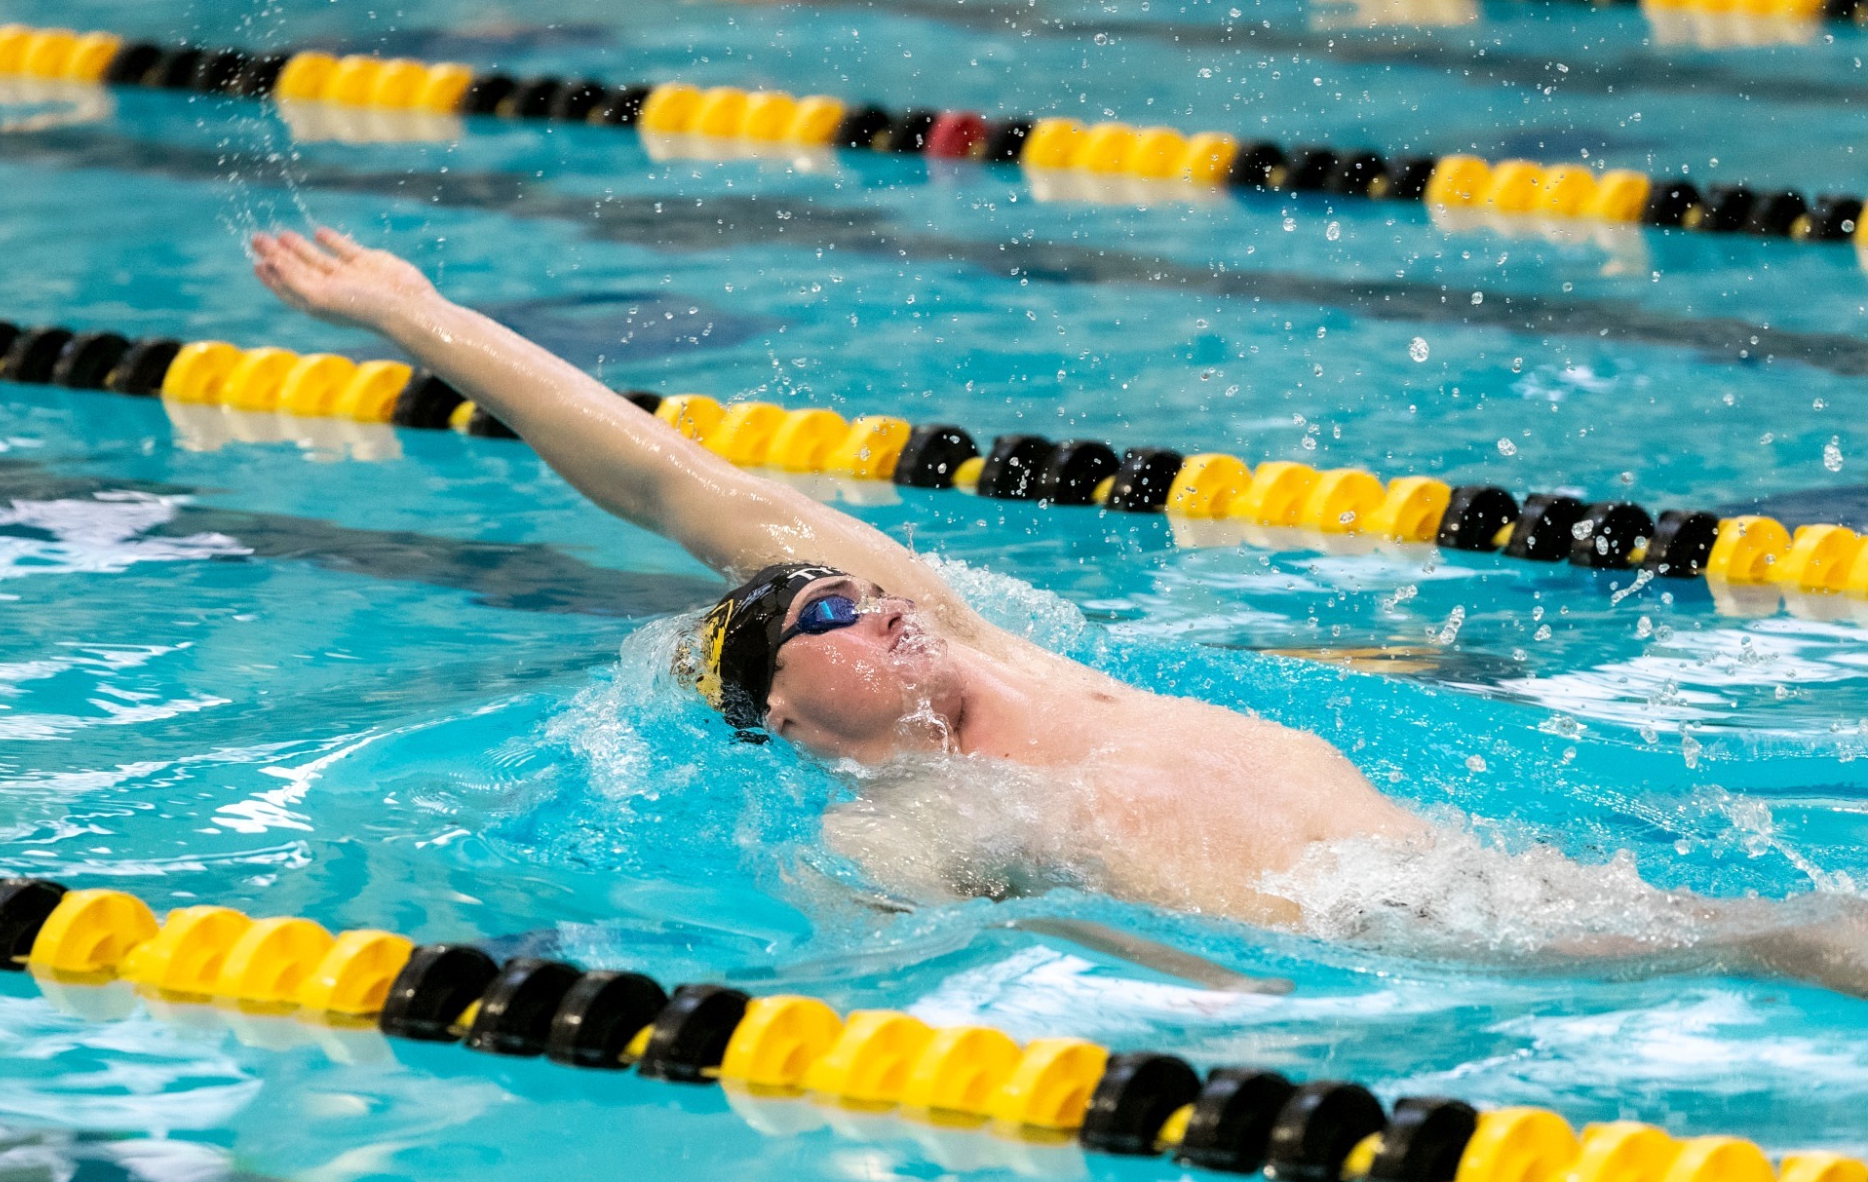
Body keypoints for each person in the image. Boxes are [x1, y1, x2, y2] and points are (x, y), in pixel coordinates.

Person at [250, 229, 1868, 993]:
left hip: (1463, 871)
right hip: (1392, 944)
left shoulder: (1001, 650)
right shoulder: (922, 814)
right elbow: (919, 960)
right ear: (787, 715)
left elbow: (674, 481)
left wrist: (419, 310)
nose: (865, 595)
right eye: (822, 610)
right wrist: (1208, 987)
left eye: (853, 581)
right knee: (1802, 940)